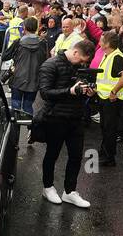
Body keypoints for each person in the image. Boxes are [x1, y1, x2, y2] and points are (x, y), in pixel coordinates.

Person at [36, 38, 96, 208]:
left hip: (76, 118)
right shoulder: (50, 65)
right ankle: (48, 187)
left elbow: (80, 92)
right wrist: (70, 91)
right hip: (55, 117)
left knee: (76, 156)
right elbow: (45, 93)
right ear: (75, 52)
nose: (84, 64)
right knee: (52, 154)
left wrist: (88, 92)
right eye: (83, 60)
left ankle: (70, 191)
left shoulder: (81, 67)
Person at [94, 30, 123, 166]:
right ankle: (104, 153)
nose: (99, 42)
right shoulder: (108, 55)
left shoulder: (117, 57)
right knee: (105, 126)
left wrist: (114, 91)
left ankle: (109, 158)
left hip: (112, 99)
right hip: (104, 96)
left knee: (110, 128)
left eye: (101, 40)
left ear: (107, 43)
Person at [6, 17, 47, 114]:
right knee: (28, 108)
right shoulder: (43, 43)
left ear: (24, 28)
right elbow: (45, 60)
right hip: (34, 80)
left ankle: (14, 128)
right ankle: (30, 127)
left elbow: (5, 56)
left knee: (15, 109)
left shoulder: (18, 42)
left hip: (18, 80)